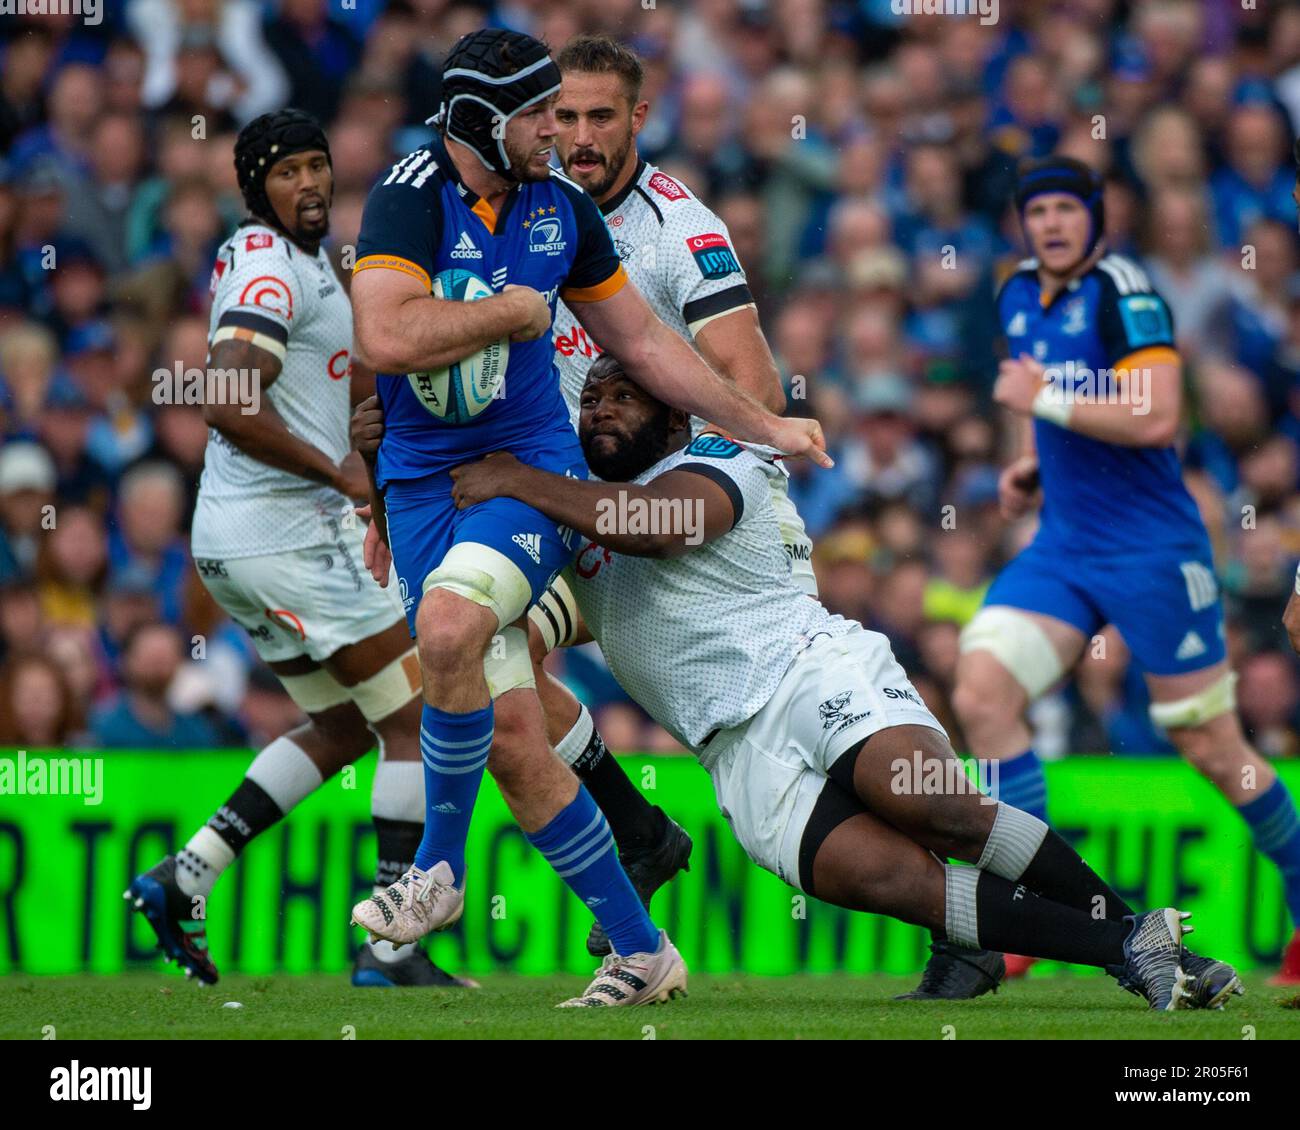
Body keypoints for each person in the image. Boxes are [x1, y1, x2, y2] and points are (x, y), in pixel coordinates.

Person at [429, 354, 1241, 1013]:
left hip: (811, 670)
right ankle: (1131, 946)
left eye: (622, 395)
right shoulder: (576, 529)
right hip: (736, 757)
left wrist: (513, 477)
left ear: (674, 416)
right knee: (897, 882)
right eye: (591, 399)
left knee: (939, 808)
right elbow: (526, 633)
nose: (599, 408)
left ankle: (1130, 931)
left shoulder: (718, 456)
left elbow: (661, 527)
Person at [347, 28, 825, 1008]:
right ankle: (643, 949)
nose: (556, 134)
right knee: (517, 739)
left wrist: (764, 422)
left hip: (526, 478)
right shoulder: (406, 194)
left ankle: (432, 871)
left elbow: (647, 346)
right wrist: (509, 313)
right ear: (483, 118)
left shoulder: (560, 208)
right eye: (537, 115)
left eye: (572, 114)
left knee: (448, 626)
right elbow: (386, 333)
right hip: (421, 483)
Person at [919, 154, 1300, 996]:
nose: (1051, 223)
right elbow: (1041, 411)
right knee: (982, 690)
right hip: (1065, 543)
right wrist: (1028, 466)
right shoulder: (1018, 291)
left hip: (1155, 550)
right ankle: (1027, 916)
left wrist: (1044, 397)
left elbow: (1158, 417)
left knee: (1209, 745)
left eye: (1067, 208)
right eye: (1037, 210)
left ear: (1097, 218)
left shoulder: (1126, 293)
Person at [127, 109, 472, 991]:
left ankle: (185, 876)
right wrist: (341, 476)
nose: (310, 183)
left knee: (348, 724)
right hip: (280, 537)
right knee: (417, 714)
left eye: (318, 165)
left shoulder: (309, 262)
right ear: (256, 191)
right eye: (286, 173)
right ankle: (390, 946)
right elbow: (229, 397)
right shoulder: (269, 267)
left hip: (251, 542)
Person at [528, 33, 820, 956]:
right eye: (562, 115)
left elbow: (757, 392)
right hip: (585, 519)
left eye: (599, 116)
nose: (579, 135)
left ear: (638, 119)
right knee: (472, 652)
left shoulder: (681, 230)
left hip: (687, 522)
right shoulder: (523, 219)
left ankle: (955, 916)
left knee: (801, 757)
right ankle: (638, 830)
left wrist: (650, 486)